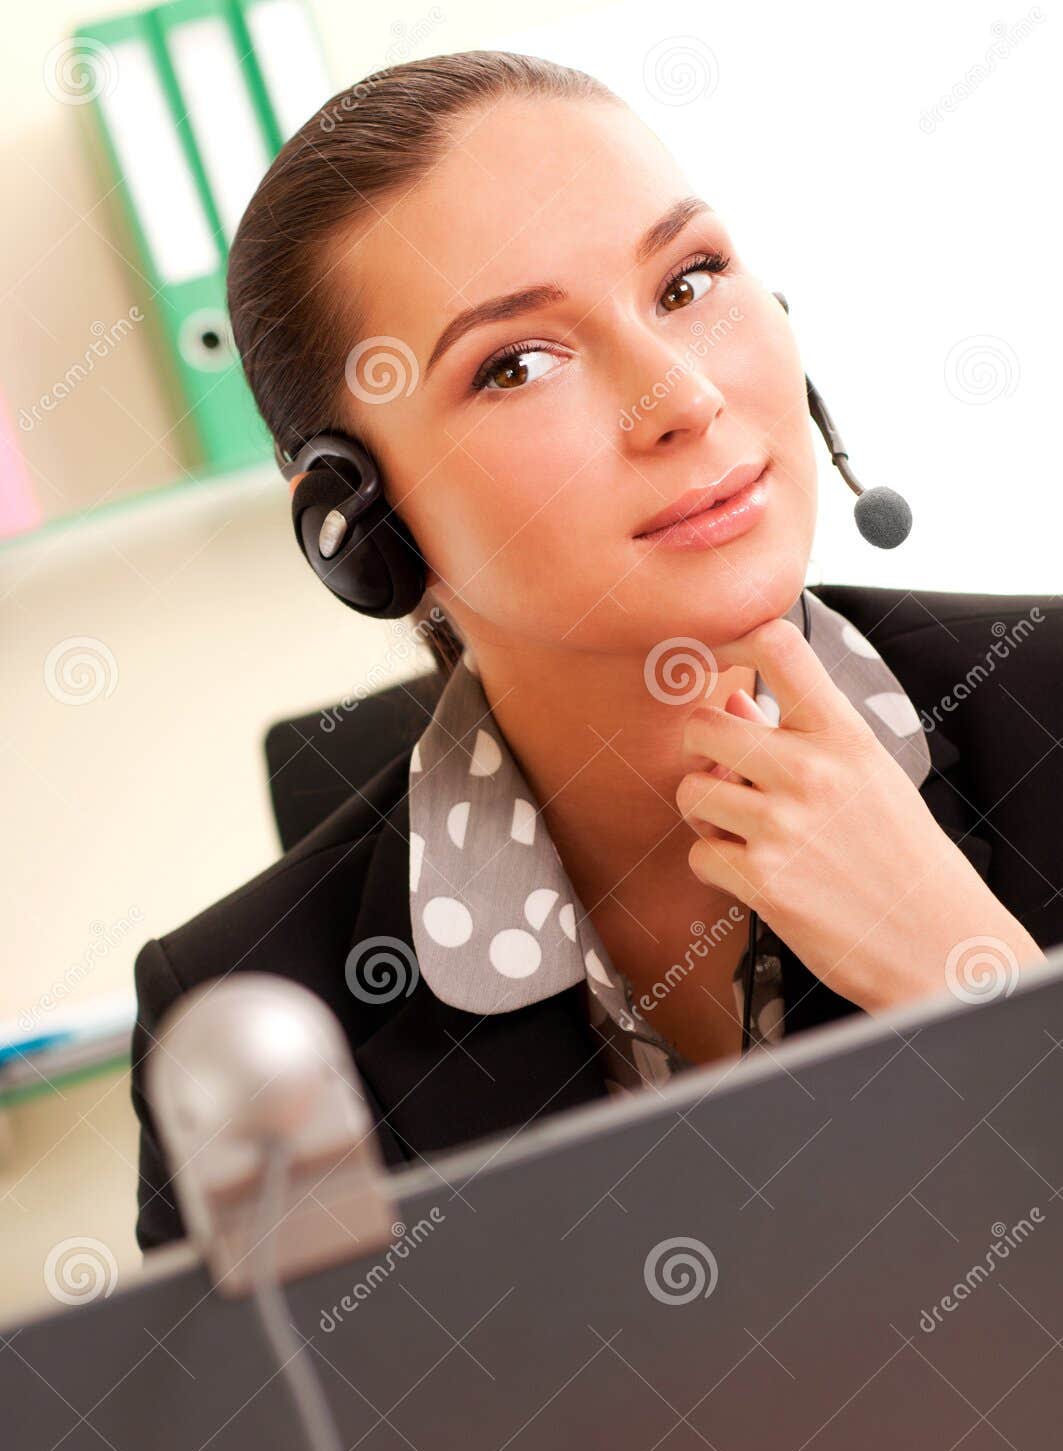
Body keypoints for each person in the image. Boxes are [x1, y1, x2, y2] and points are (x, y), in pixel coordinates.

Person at [131, 50, 1046, 1252]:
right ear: (363, 530)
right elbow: (294, 1444)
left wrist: (972, 982)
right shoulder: (254, 1015)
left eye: (689, 280)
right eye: (514, 362)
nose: (677, 394)